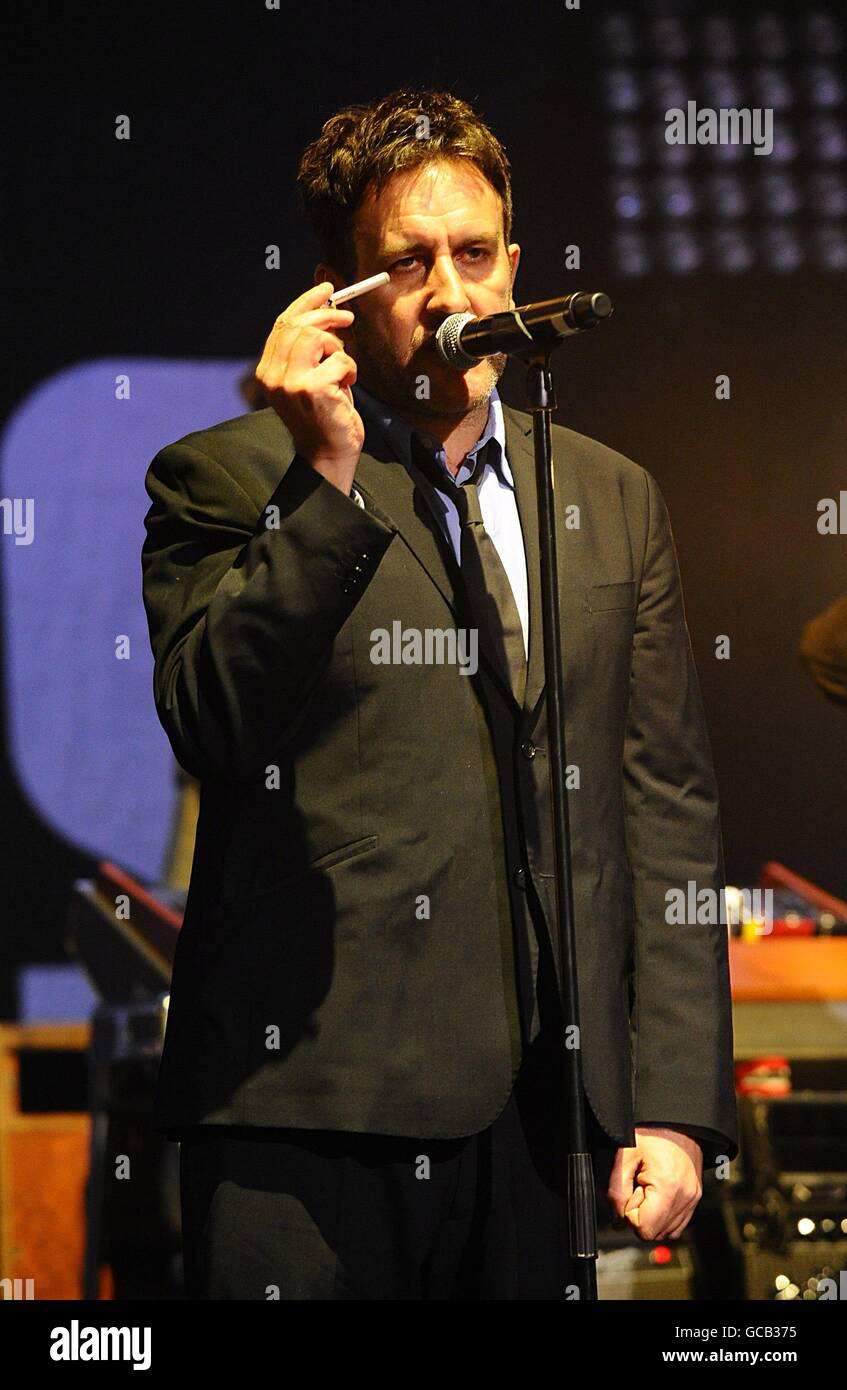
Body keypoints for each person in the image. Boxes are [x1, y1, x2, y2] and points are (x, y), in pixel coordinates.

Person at [141, 88, 738, 1300]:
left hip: (534, 1123)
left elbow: (662, 802)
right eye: (408, 264)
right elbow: (209, 715)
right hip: (305, 1119)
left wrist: (673, 1103)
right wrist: (320, 477)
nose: (452, 292)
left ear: (515, 265)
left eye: (474, 254)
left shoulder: (610, 494)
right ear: (338, 294)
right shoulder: (227, 474)